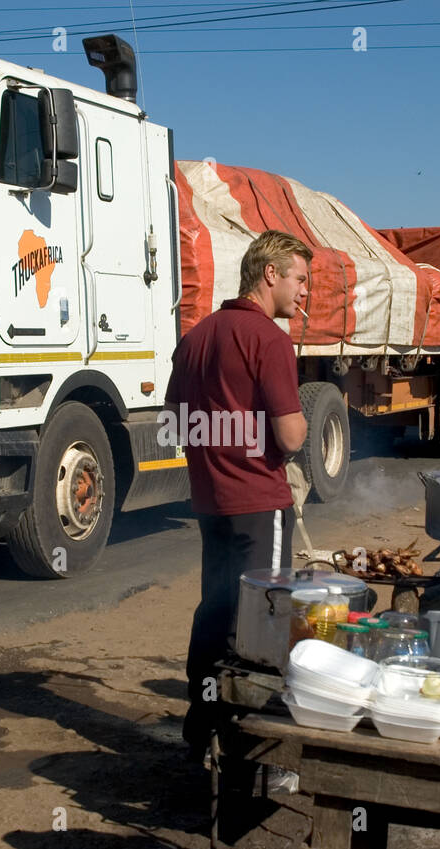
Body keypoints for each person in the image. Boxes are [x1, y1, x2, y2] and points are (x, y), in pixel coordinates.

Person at [165, 230, 311, 760]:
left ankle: (201, 720)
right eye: (299, 278)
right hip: (260, 504)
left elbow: (175, 422)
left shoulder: (198, 336)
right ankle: (244, 738)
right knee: (262, 621)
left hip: (211, 505)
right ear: (269, 274)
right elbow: (292, 435)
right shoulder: (269, 339)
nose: (304, 292)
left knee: (216, 609)